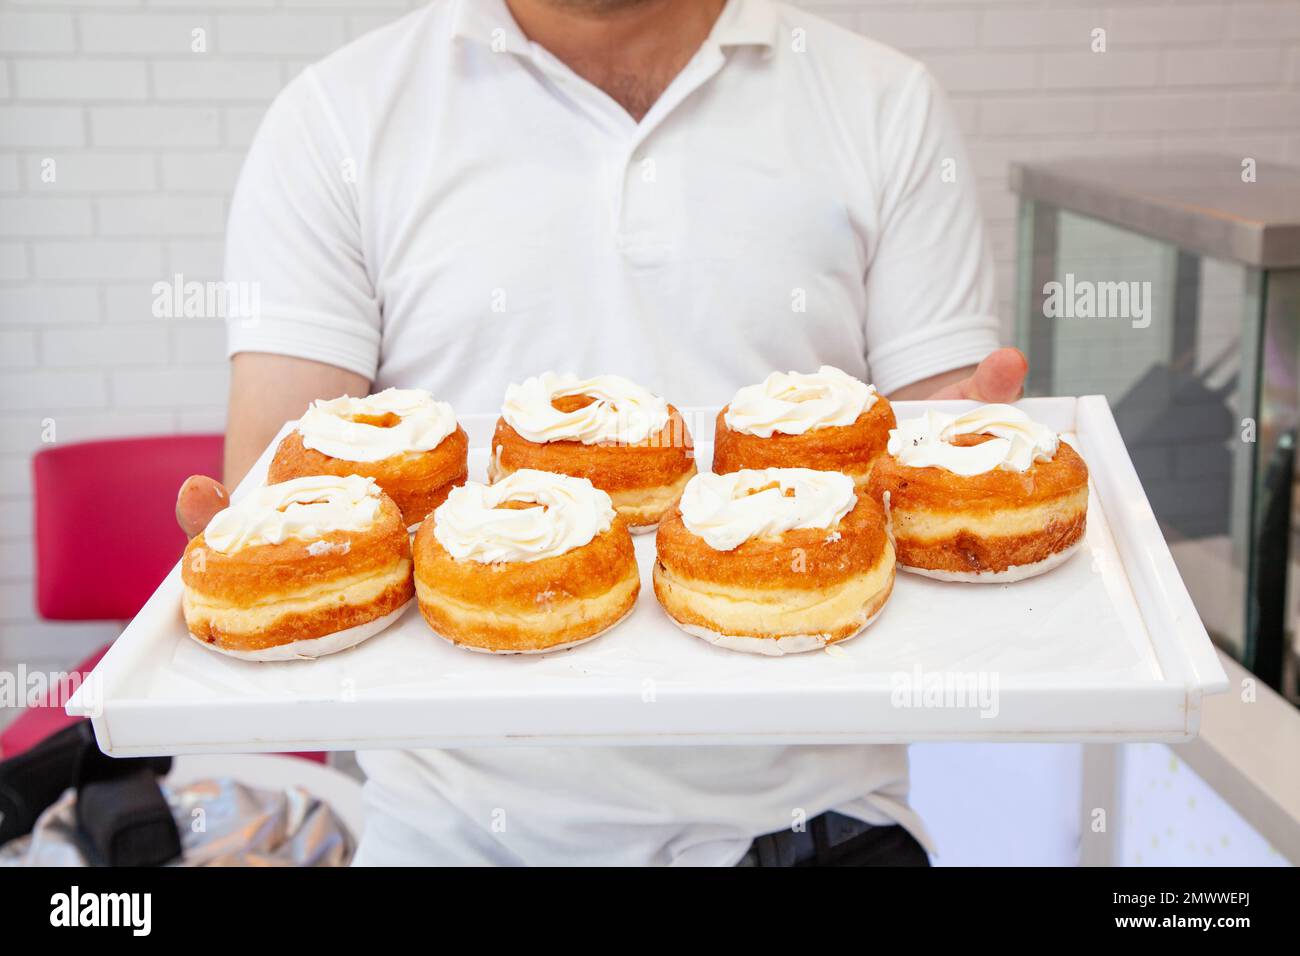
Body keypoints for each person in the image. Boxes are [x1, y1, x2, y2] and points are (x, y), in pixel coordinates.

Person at [177, 0, 1027, 866]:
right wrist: (257, 545)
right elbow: (279, 468)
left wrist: (974, 454)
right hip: (456, 834)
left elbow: (926, 450)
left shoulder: (882, 97)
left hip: (820, 820)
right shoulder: (340, 114)